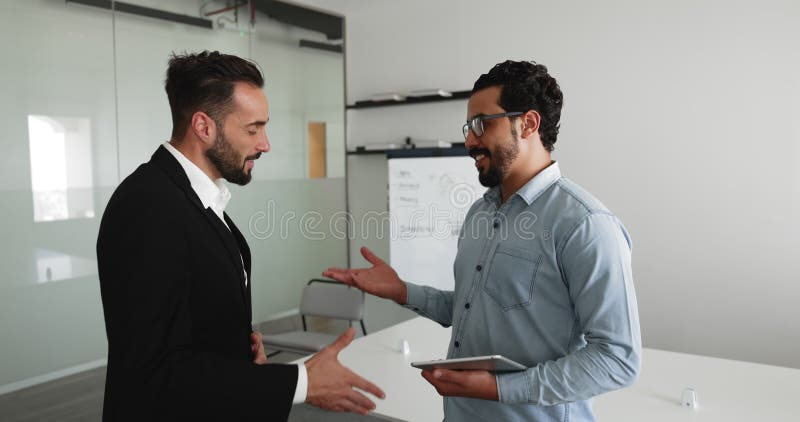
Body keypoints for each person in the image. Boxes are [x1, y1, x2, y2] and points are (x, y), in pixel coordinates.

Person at [324, 60, 641, 421]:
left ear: (528, 124)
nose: (469, 140)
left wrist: (499, 389)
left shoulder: (586, 225)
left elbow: (617, 359)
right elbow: (472, 310)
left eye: (482, 124)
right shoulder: (481, 212)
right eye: (468, 126)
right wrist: (401, 291)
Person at [97, 51, 384, 422]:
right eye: (253, 129)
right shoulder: (146, 206)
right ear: (204, 127)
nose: (265, 144)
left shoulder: (198, 200)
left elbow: (192, 324)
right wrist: (301, 381)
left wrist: (240, 354)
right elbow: (153, 371)